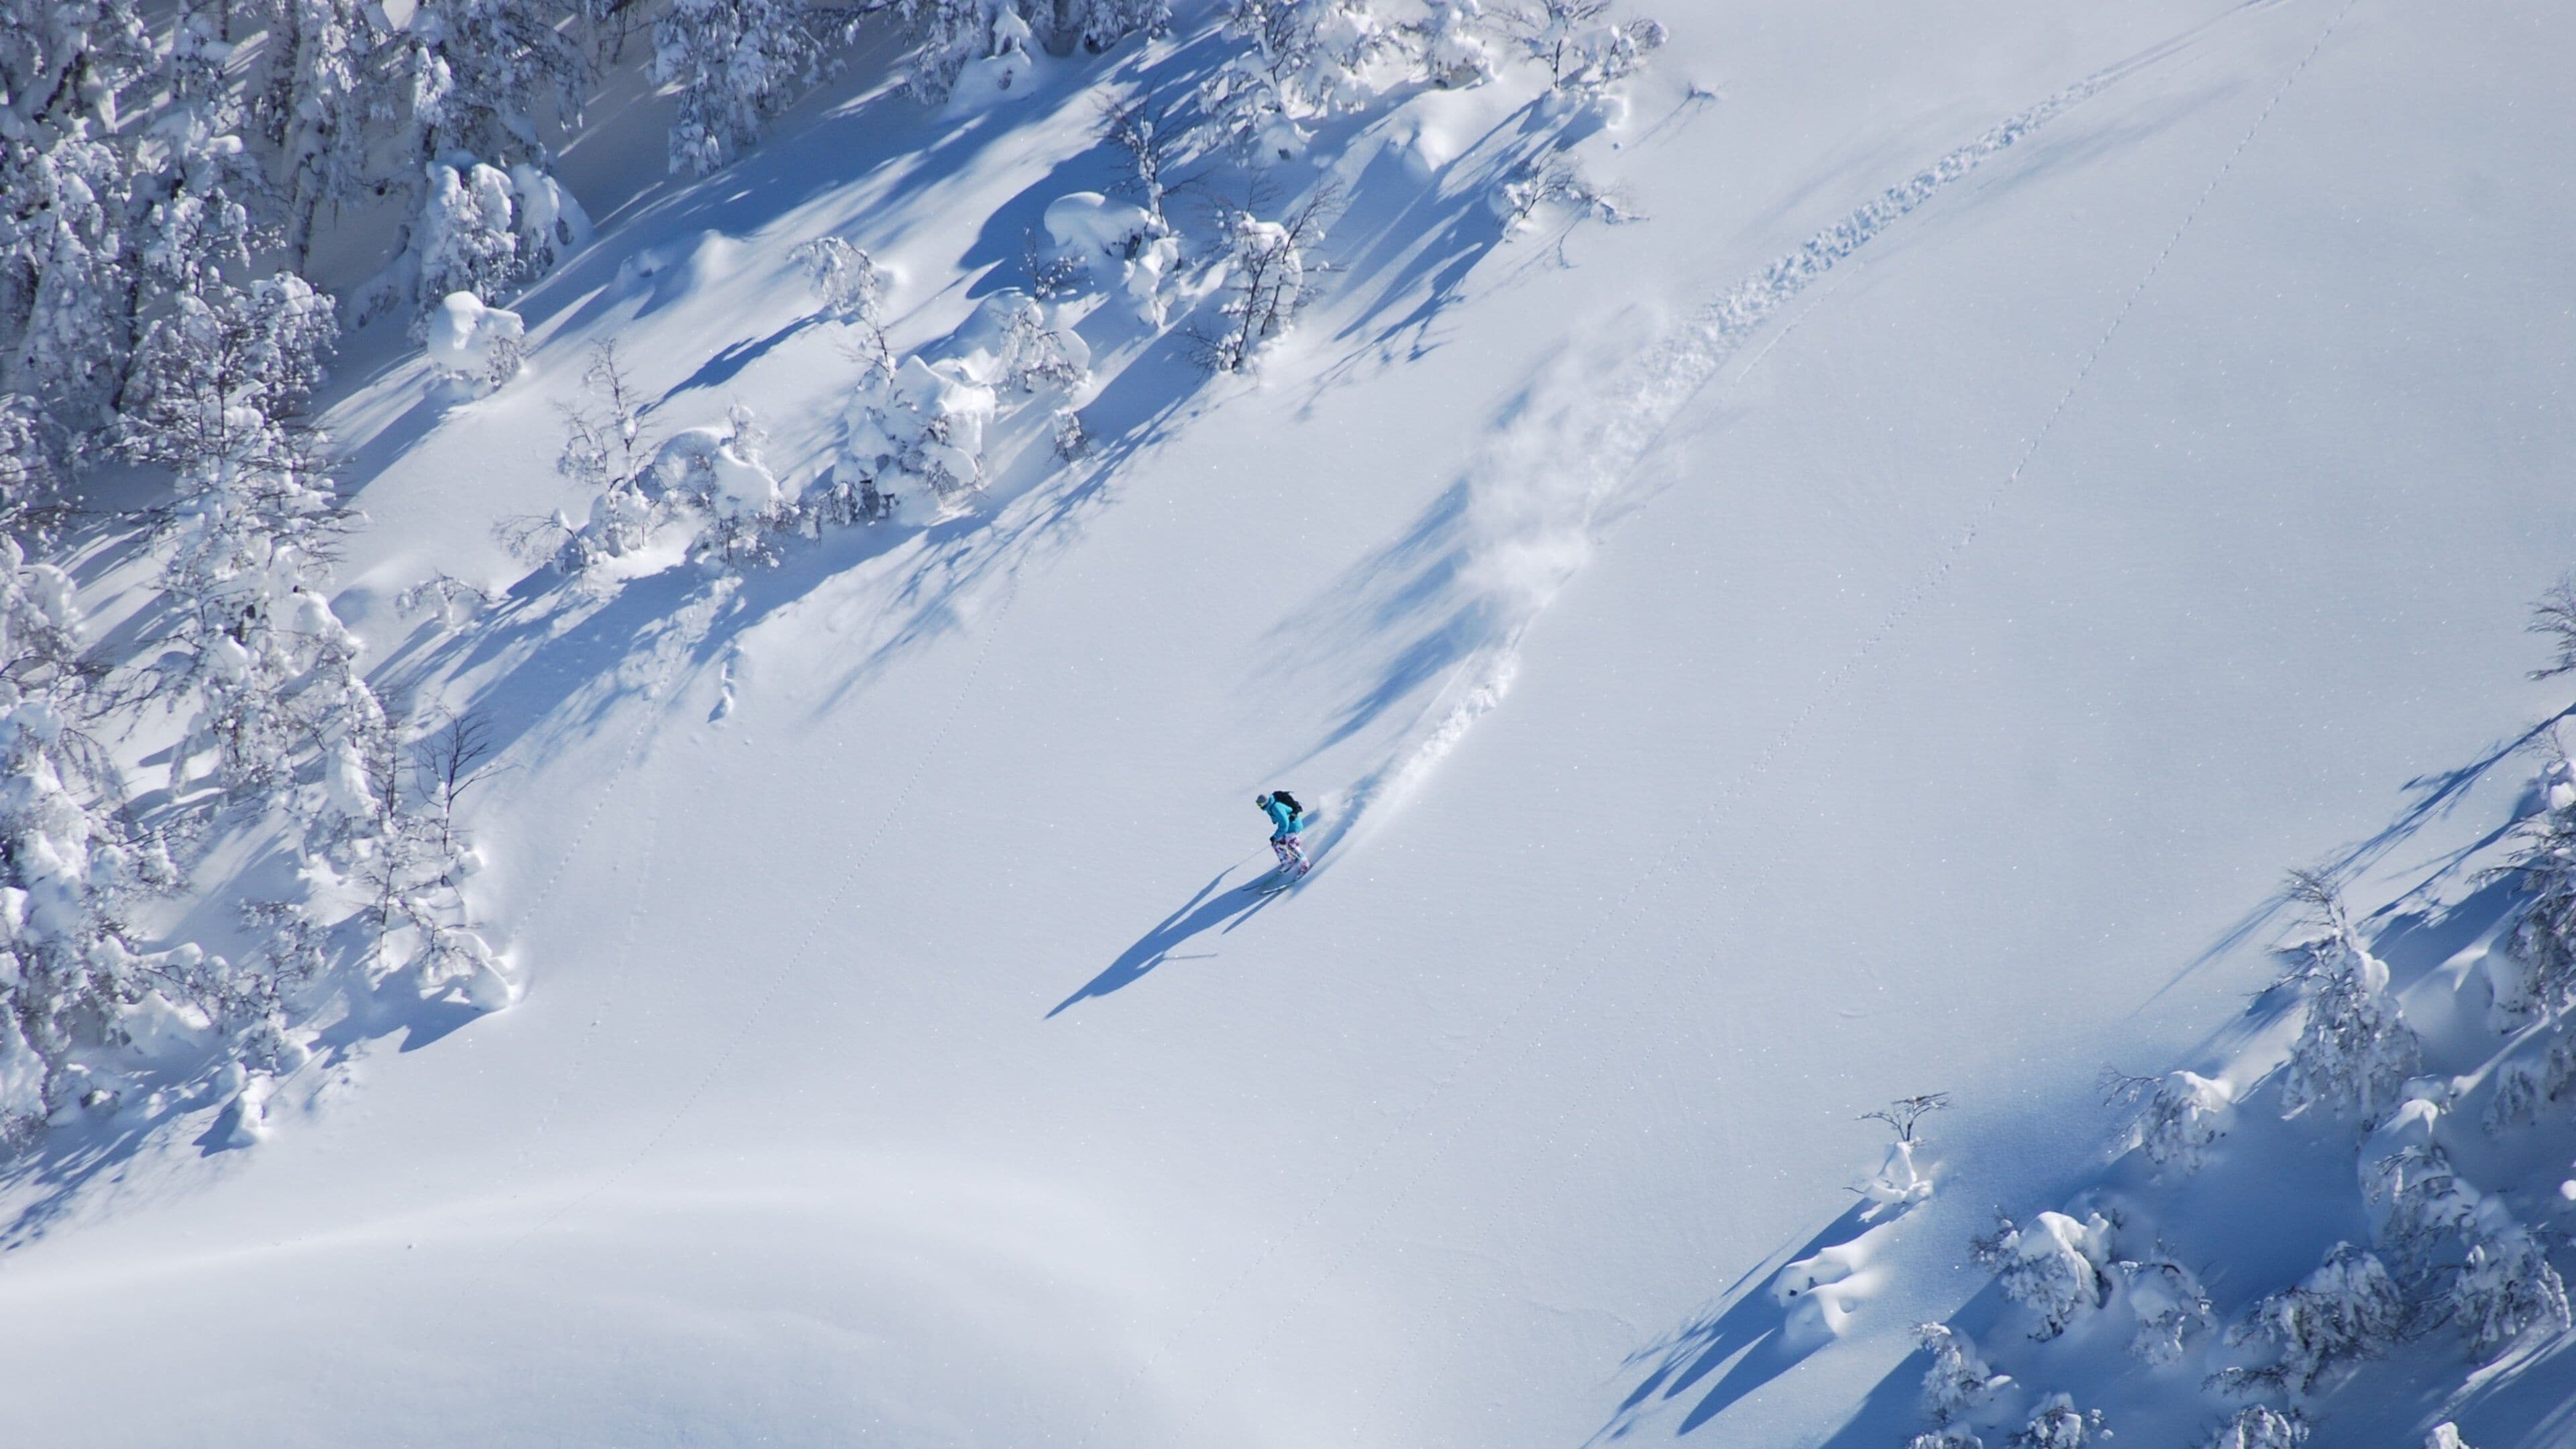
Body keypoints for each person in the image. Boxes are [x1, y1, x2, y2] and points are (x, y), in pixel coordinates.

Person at [1256, 790, 1309, 876]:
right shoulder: (1269, 807)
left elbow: (1285, 823)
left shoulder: (1276, 807)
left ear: (1266, 802)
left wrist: (1276, 835)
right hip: (1288, 828)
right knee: (1276, 844)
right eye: (1258, 804)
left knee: (1291, 844)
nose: (1259, 807)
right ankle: (1287, 861)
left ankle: (1305, 865)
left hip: (1294, 826)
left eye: (1260, 805)